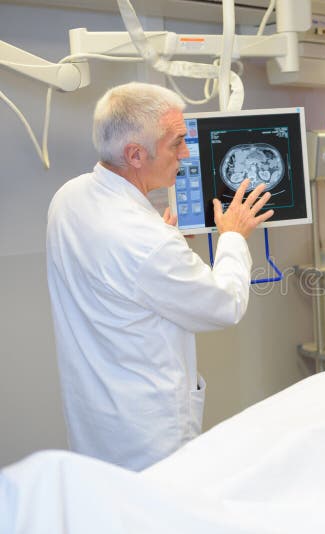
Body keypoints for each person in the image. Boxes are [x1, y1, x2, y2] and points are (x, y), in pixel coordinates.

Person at [46, 82, 274, 471]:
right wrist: (233, 236)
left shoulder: (69, 197)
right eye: (177, 143)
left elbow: (118, 274)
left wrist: (162, 242)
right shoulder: (146, 243)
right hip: (148, 437)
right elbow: (224, 304)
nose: (185, 155)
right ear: (135, 154)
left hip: (96, 419)